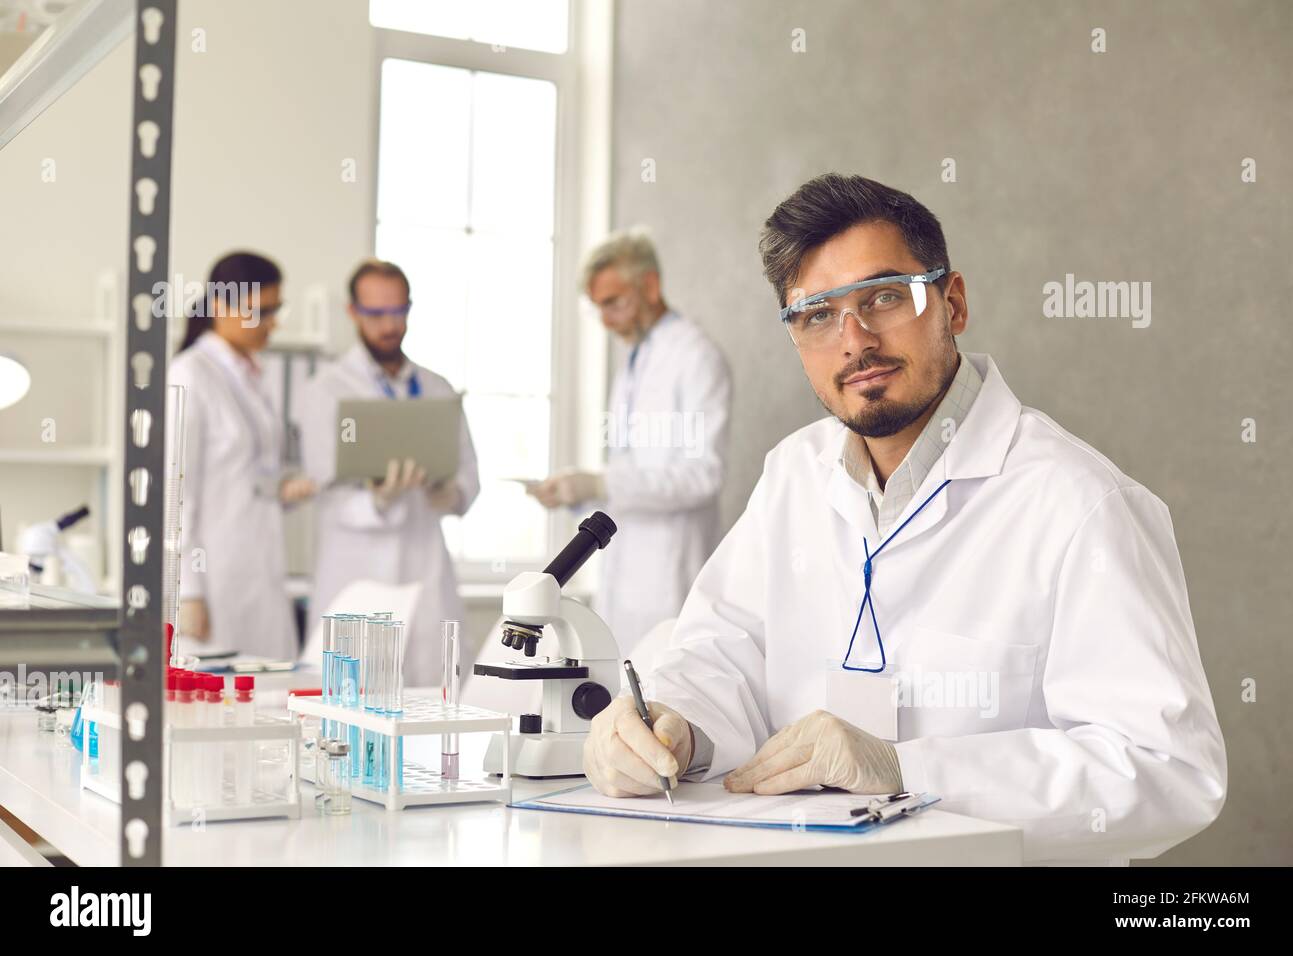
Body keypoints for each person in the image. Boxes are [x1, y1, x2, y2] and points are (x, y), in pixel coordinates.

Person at [581, 174, 1227, 864]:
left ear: (953, 301)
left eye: (884, 297)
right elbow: (720, 651)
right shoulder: (793, 475)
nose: (853, 340)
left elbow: (1170, 769)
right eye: (816, 315)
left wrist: (908, 774)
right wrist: (677, 727)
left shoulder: (1080, 502)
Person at [528, 231, 731, 654]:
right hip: (623, 569)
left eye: (614, 303)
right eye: (598, 307)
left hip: (669, 574)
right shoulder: (633, 364)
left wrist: (602, 484)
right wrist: (576, 493)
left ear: (651, 287)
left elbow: (701, 477)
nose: (606, 320)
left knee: (662, 701)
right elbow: (630, 467)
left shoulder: (695, 358)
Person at [299, 259, 478, 684]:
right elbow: (323, 485)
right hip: (355, 569)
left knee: (433, 698)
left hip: (426, 566)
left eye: (398, 311)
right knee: (351, 701)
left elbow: (470, 475)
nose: (389, 324)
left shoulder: (437, 388)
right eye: (376, 313)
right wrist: (377, 499)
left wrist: (448, 494)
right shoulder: (327, 390)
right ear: (353, 312)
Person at [170, 251, 314, 659]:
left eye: (276, 309)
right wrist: (188, 593)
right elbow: (175, 493)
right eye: (261, 311)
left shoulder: (251, 374)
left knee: (271, 699)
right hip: (213, 581)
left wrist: (285, 488)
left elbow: (244, 478)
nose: (273, 322)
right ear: (220, 305)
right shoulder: (190, 374)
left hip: (260, 571)